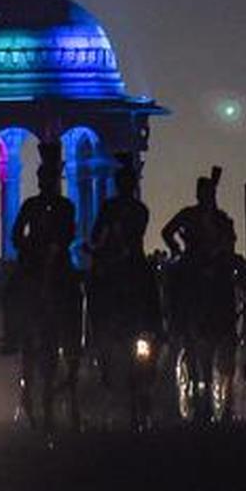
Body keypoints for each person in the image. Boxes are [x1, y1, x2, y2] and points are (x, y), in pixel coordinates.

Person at [4, 142, 80, 433]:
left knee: (76, 293)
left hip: (59, 264)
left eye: (50, 178)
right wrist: (31, 249)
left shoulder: (65, 206)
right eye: (42, 178)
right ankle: (11, 335)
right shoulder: (30, 205)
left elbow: (69, 233)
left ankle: (78, 334)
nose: (45, 183)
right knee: (9, 291)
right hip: (34, 263)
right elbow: (15, 234)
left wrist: (55, 248)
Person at [161, 165, 238, 421]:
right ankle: (175, 321)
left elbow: (230, 242)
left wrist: (218, 251)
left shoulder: (222, 218)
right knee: (175, 284)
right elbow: (166, 232)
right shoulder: (189, 214)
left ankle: (231, 326)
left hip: (215, 266)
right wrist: (179, 250)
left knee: (230, 287)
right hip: (193, 263)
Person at [89, 153, 160, 428]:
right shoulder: (110, 208)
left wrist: (113, 241)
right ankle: (90, 328)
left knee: (149, 286)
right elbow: (97, 235)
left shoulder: (138, 210)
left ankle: (157, 324)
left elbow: (134, 235)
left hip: (131, 259)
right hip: (116, 258)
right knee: (94, 289)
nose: (126, 186)